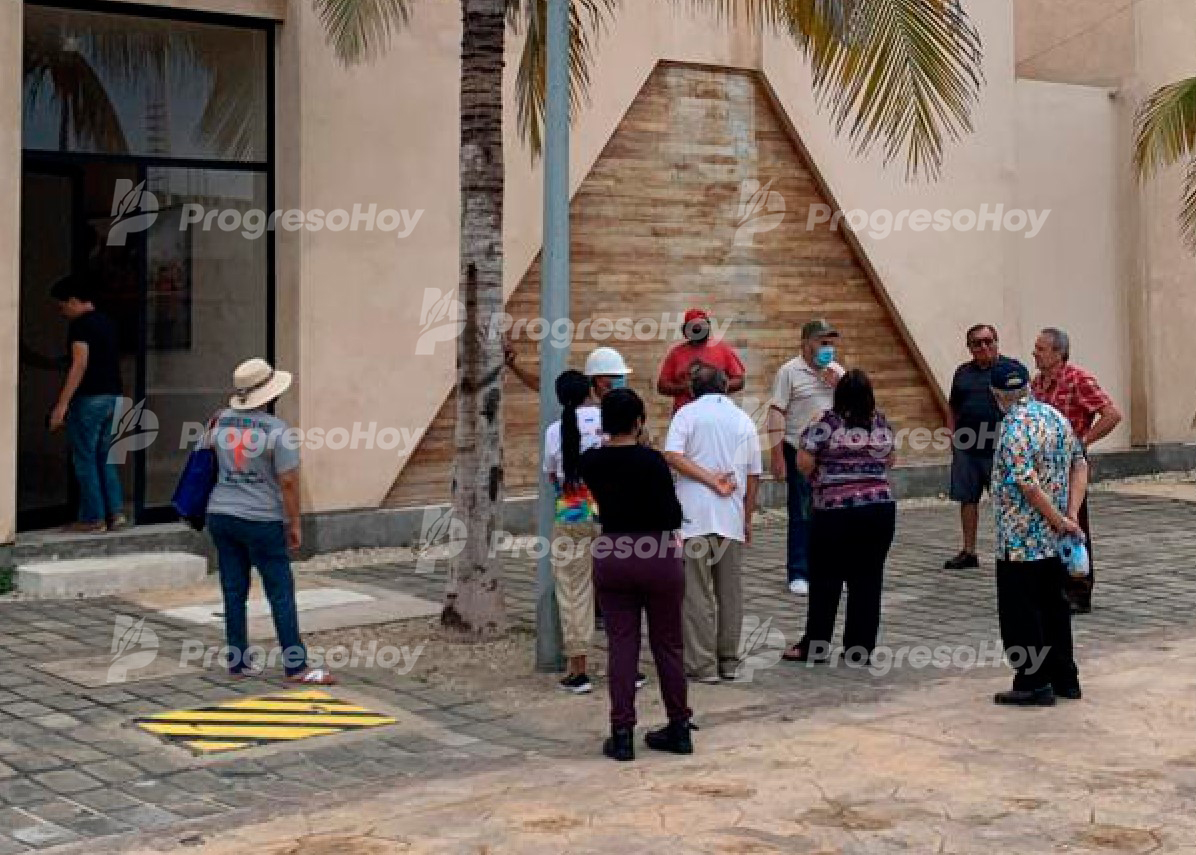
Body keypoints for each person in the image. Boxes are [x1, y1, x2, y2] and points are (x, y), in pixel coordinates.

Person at [580, 389, 693, 762]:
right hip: (657, 552)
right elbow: (672, 514)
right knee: (668, 644)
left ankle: (623, 732)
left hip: (614, 550)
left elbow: (584, 507)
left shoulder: (591, 463)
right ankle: (679, 726)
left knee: (622, 645)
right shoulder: (653, 462)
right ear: (640, 421)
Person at [205, 358, 333, 685]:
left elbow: (206, 462)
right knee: (280, 591)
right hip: (262, 519)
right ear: (271, 394)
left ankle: (238, 662)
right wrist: (295, 523)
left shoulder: (218, 421)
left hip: (221, 513)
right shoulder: (277, 431)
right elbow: (288, 483)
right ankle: (296, 665)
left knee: (233, 590)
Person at [781, 370, 897, 666]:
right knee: (868, 579)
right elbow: (891, 460)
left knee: (825, 579)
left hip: (835, 511)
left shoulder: (826, 422)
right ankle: (859, 648)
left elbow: (803, 463)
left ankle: (816, 646)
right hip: (878, 510)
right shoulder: (880, 421)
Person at [989, 359, 1086, 706]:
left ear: (996, 394)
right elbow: (1080, 462)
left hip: (1019, 539)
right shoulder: (1055, 417)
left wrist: (1059, 519)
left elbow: (1027, 485)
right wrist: (1070, 514)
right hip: (1052, 540)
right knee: (1054, 608)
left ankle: (1033, 681)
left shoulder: (1013, 428)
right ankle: (1065, 678)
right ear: (1028, 386)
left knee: (1021, 614)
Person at [664, 365, 762, 683]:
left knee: (696, 592)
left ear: (692, 389)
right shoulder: (744, 421)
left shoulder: (686, 415)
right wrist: (747, 518)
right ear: (726, 387)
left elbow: (672, 455)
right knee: (730, 591)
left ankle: (702, 664)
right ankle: (729, 660)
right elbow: (753, 475)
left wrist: (706, 479)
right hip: (730, 517)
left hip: (692, 517)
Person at [1031, 327, 1121, 614]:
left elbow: (1111, 414)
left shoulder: (1078, 379)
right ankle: (1054, 587)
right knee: (1049, 525)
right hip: (1043, 467)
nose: (1035, 353)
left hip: (1070, 469)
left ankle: (1079, 591)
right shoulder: (1037, 384)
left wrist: (1084, 441)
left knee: (1073, 523)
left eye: (1041, 349)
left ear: (1059, 353)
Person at [767, 318, 845, 595]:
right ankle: (798, 571)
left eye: (831, 343)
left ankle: (828, 568)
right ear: (806, 344)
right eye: (823, 342)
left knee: (832, 511)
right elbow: (776, 412)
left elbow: (850, 410)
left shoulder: (836, 372)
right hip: (798, 450)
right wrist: (776, 455)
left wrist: (840, 386)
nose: (828, 348)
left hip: (831, 453)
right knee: (801, 510)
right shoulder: (789, 372)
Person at [48, 274, 127, 532]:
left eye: (62, 306)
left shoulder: (81, 326)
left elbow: (79, 363)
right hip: (113, 396)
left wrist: (62, 404)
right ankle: (115, 512)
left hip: (89, 399)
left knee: (84, 458)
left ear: (73, 301)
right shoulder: (107, 323)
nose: (62, 312)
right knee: (105, 457)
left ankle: (93, 518)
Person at [543, 370, 603, 693]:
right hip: (611, 512)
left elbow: (552, 475)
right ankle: (630, 668)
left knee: (573, 589)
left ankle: (578, 671)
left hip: (572, 511)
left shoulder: (555, 430)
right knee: (619, 589)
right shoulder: (609, 417)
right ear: (590, 390)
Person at [944, 324, 1017, 570]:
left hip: (1001, 448)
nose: (984, 347)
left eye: (989, 341)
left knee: (1007, 500)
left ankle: (1011, 548)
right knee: (967, 499)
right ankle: (969, 551)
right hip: (967, 447)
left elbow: (1024, 407)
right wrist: (952, 436)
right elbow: (952, 406)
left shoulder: (1012, 370)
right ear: (969, 348)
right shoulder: (962, 373)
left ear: (997, 342)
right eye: (977, 343)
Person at [657, 308, 746, 413]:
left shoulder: (722, 349)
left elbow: (739, 380)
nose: (699, 328)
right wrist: (685, 388)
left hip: (717, 412)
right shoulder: (676, 353)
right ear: (686, 330)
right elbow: (662, 386)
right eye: (694, 326)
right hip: (684, 414)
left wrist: (718, 387)